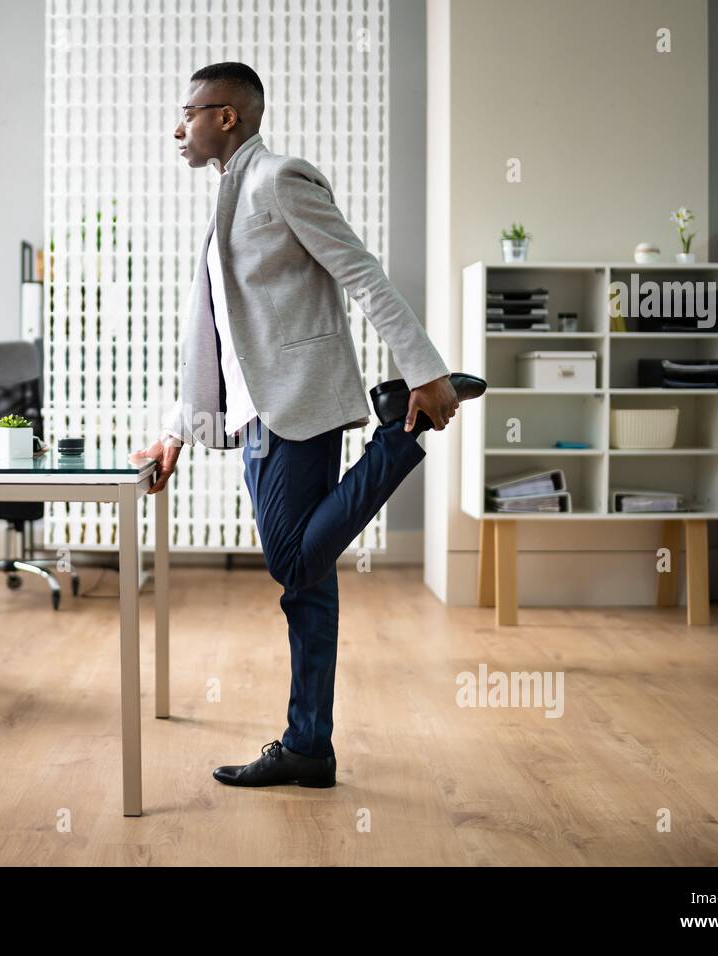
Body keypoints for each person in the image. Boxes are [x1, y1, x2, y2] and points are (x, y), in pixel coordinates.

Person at [131, 61, 458, 789]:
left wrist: (425, 369)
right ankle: (308, 745)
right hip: (253, 419)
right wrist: (178, 432)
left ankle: (399, 437)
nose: (176, 127)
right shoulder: (227, 198)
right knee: (306, 583)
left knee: (290, 562)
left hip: (298, 404)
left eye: (189, 113)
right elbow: (210, 338)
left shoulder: (279, 178)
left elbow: (362, 273)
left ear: (228, 117)